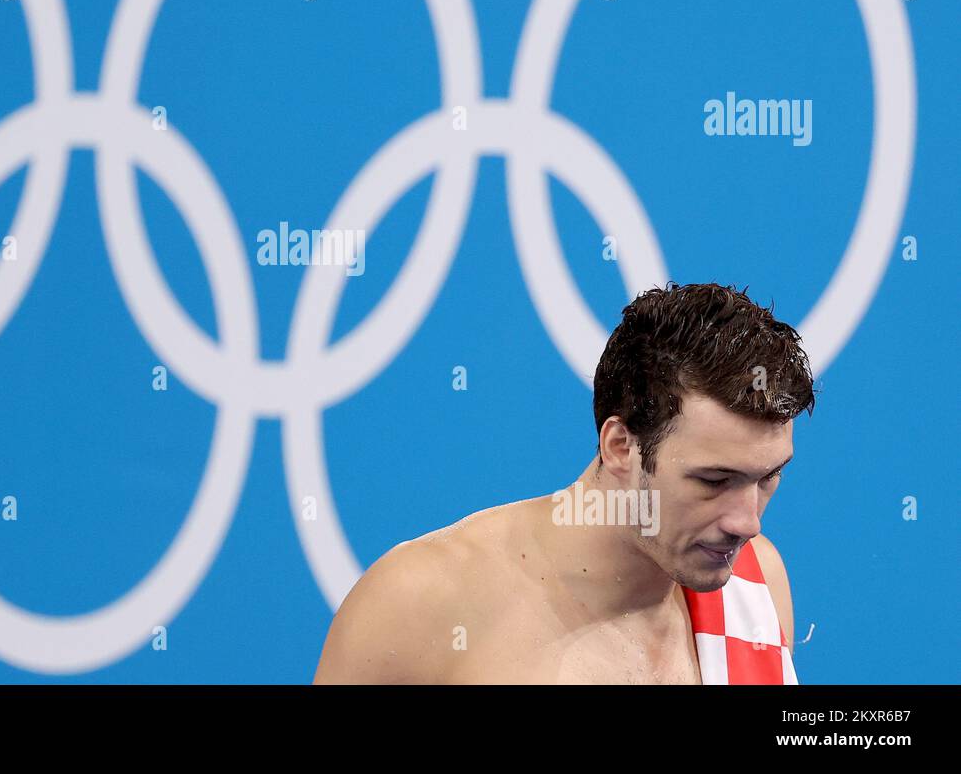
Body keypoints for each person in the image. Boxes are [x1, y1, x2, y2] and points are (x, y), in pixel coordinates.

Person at [313, 281, 815, 684]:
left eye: (768, 477)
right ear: (621, 447)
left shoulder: (757, 585)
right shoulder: (420, 603)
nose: (747, 522)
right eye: (713, 480)